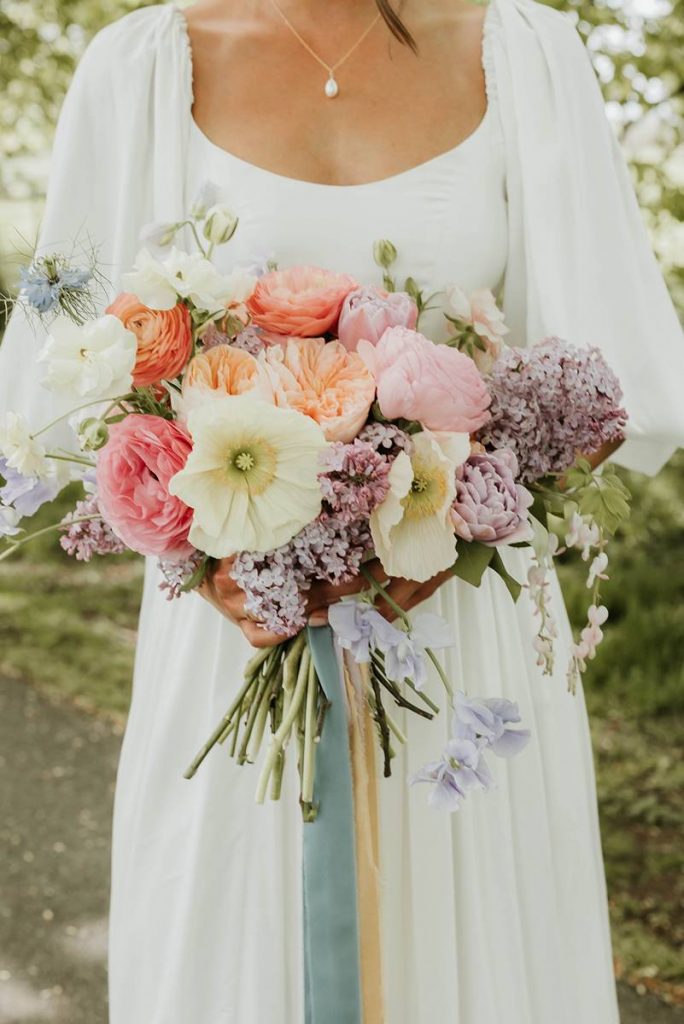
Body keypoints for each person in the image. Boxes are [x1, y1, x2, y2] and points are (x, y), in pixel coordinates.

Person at [1, 1, 682, 1021]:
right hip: (231, 631)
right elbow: (55, 384)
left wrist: (449, 519)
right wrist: (204, 539)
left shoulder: (526, 55)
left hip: (462, 643)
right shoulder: (140, 70)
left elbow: (621, 384)